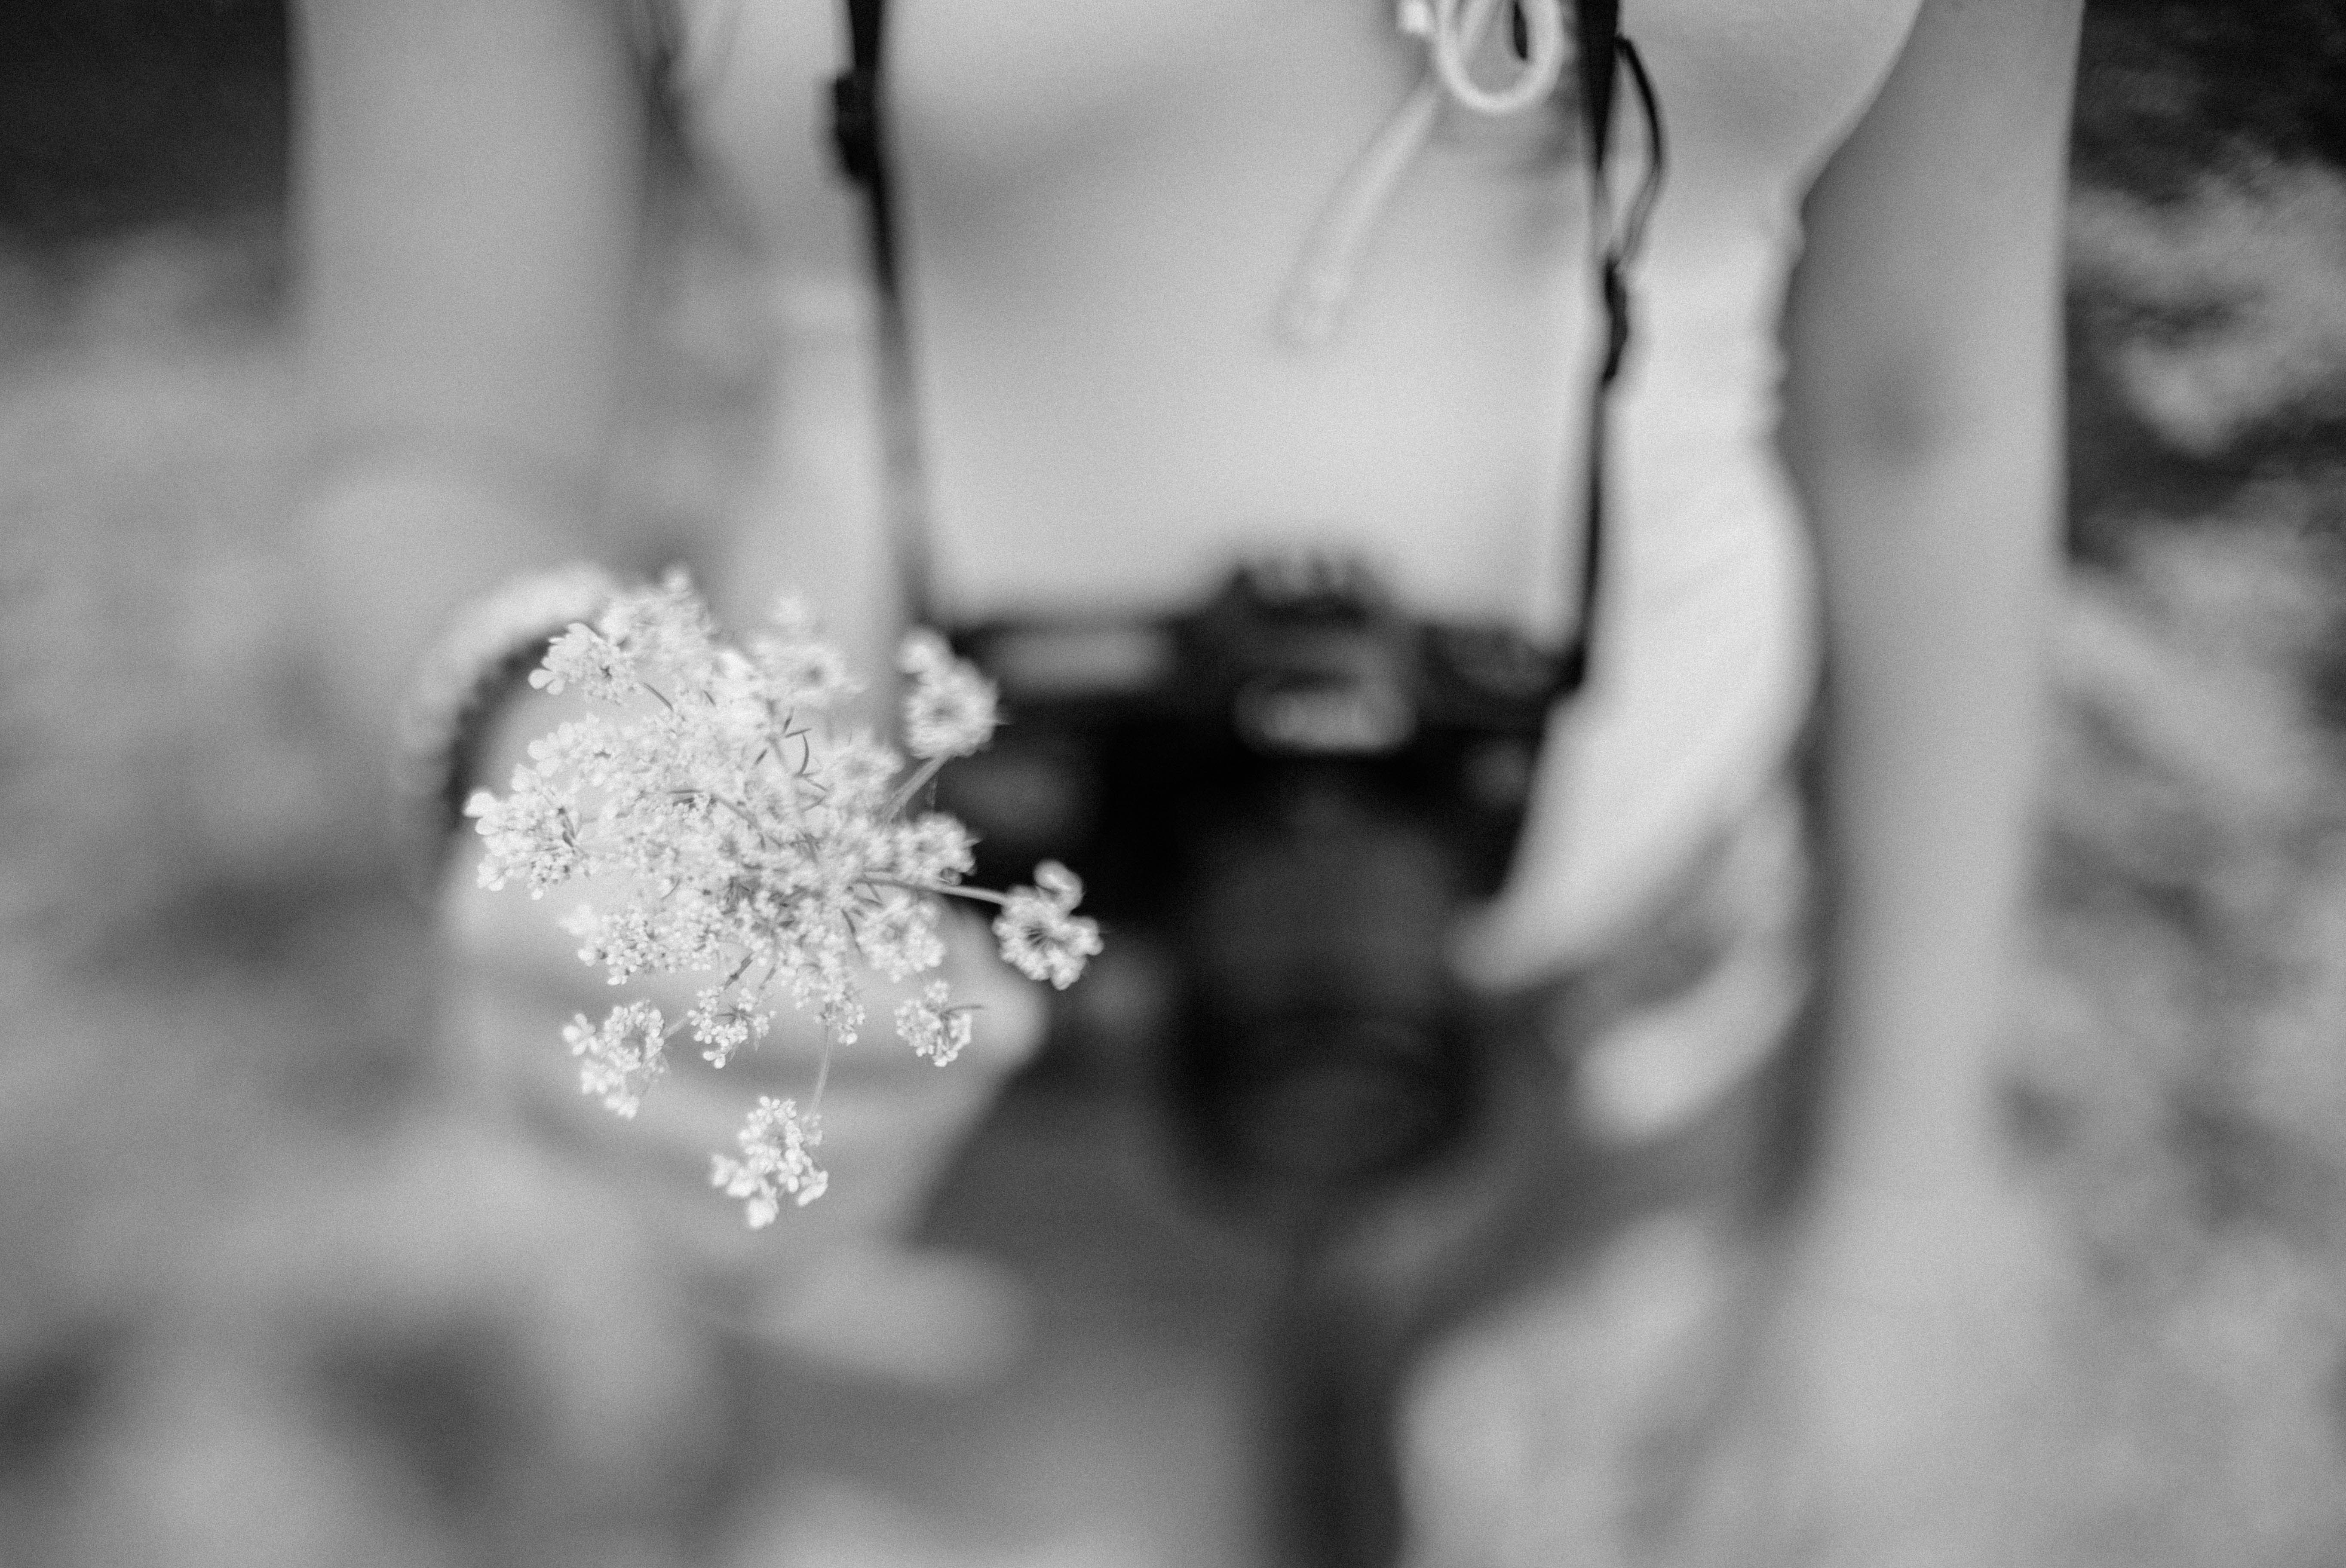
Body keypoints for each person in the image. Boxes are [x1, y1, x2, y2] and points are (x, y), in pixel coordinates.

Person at [290, 0, 2083, 1560]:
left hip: (1652, 1052)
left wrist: (1900, 1202)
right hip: (930, 1110)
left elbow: (1929, 405)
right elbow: (430, 459)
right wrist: (561, 759)